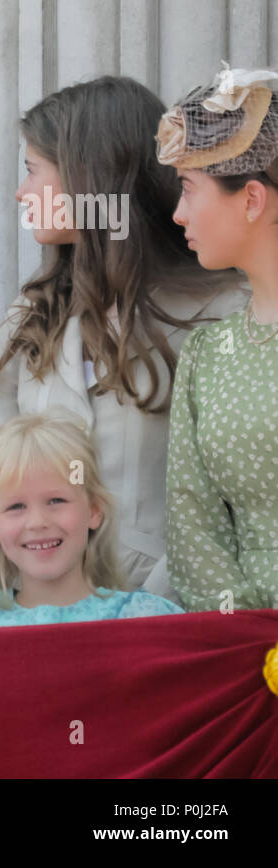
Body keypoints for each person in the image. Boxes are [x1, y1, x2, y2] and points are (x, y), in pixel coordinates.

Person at [0, 77, 246, 598]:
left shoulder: (221, 313)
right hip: (27, 619)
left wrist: (144, 616)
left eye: (33, 171)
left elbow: (226, 499)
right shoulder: (28, 318)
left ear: (90, 177)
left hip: (164, 622)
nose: (21, 193)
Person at [157, 65, 278, 611]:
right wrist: (253, 645)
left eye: (188, 189)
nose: (178, 214)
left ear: (251, 200)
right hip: (249, 663)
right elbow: (193, 524)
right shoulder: (206, 356)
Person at [0, 413, 184, 629]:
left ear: (94, 510)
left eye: (56, 501)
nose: (37, 522)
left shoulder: (143, 618)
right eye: (16, 506)